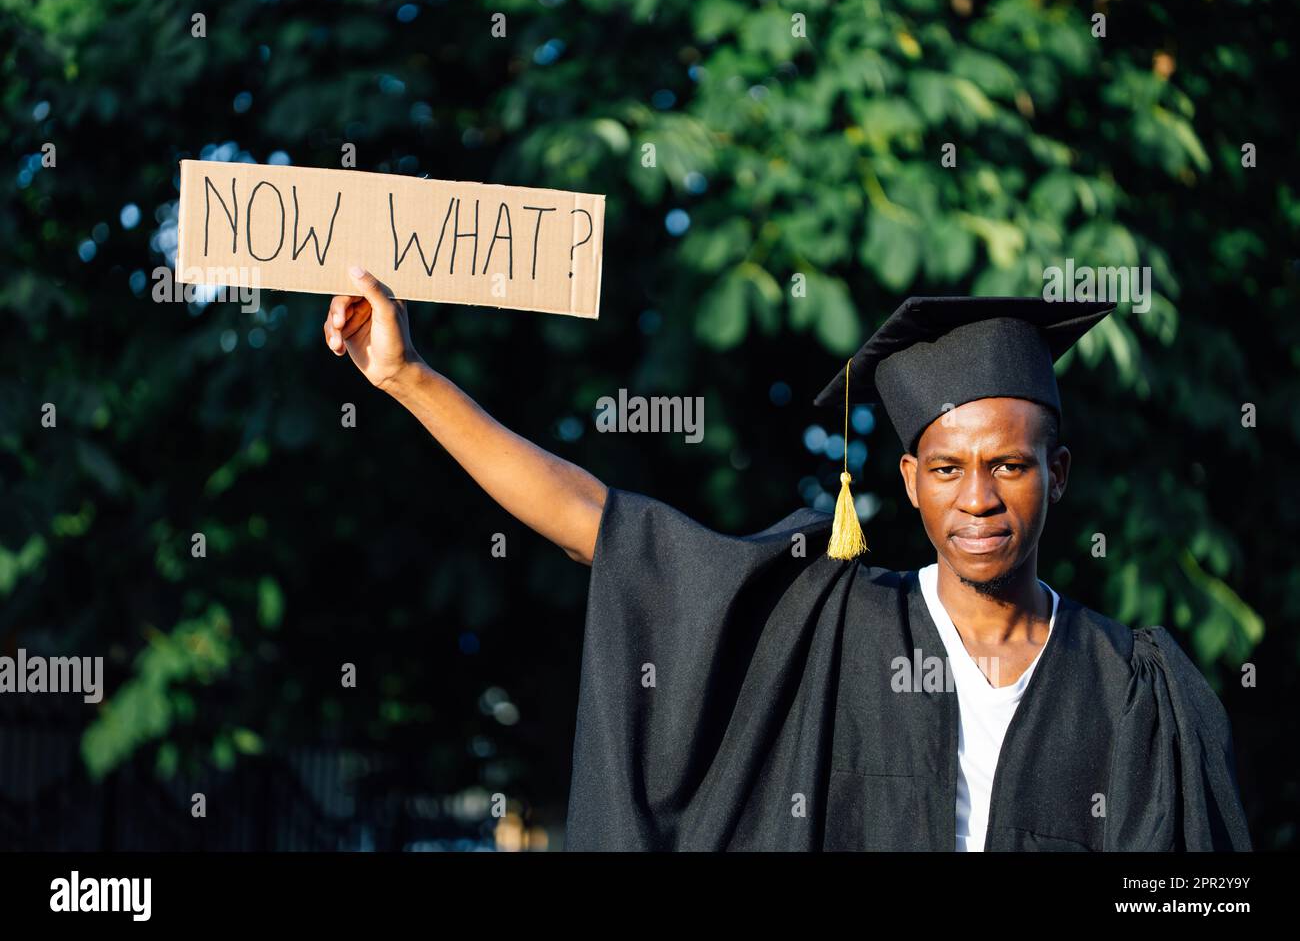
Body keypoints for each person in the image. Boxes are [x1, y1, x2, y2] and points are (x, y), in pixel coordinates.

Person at [322, 266, 1251, 852]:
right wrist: (409, 377)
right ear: (909, 479)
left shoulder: (1134, 687)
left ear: (1058, 474)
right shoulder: (832, 627)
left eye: (1009, 465)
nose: (977, 498)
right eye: (946, 468)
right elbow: (596, 523)